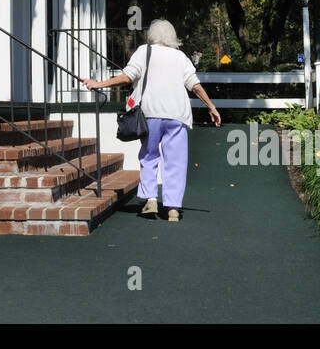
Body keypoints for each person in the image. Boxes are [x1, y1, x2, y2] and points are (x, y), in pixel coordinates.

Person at [82, 19, 220, 222]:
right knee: (176, 162)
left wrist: (98, 84)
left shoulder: (143, 52)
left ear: (152, 35)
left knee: (149, 156)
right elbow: (195, 85)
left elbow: (127, 77)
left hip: (150, 113)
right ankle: (173, 207)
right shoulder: (180, 57)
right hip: (177, 115)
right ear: (172, 37)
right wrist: (211, 106)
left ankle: (151, 200)